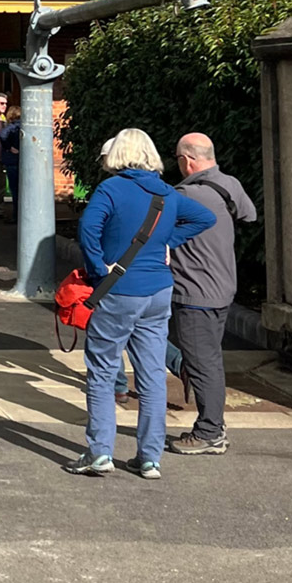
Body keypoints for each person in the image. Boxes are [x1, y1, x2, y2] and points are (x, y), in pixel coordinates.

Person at [64, 128, 217, 480]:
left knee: (103, 372)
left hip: (118, 290)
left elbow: (88, 228)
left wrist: (97, 269)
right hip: (159, 290)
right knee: (151, 374)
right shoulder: (167, 192)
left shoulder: (111, 188)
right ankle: (149, 458)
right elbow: (205, 218)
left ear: (118, 154)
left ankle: (100, 452)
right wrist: (167, 243)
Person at [167, 133, 258, 456]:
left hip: (195, 290)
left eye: (177, 159)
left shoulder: (184, 194)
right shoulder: (229, 183)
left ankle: (209, 432)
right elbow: (249, 215)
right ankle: (212, 426)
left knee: (202, 361)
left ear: (187, 160)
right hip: (223, 285)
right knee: (210, 359)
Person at [0, 104, 22, 216]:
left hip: (12, 160)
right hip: (23, 161)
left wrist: (9, 147)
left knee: (15, 189)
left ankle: (16, 214)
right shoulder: (25, 126)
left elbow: (2, 135)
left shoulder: (11, 126)